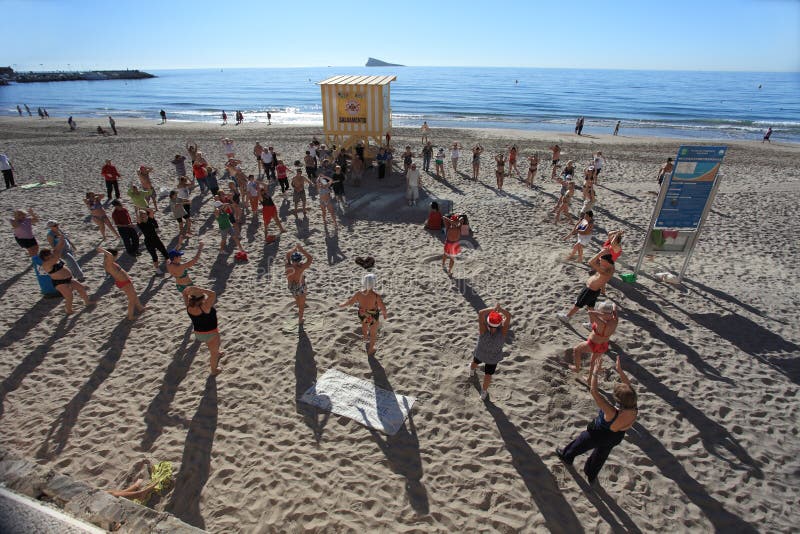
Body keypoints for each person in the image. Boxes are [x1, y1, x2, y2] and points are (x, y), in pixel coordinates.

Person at [556, 355, 638, 484]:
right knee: (601, 455)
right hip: (616, 437)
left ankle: (567, 456)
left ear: (619, 400)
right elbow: (629, 388)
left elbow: (594, 391)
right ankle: (591, 473)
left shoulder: (611, 412)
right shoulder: (633, 406)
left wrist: (594, 372)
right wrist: (620, 371)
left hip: (597, 434)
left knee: (580, 444)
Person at [557, 249, 616, 322]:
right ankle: (592, 324)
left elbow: (590, 262)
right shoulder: (610, 266)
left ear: (606, 262)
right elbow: (603, 281)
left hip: (590, 290)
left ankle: (567, 317)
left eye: (601, 260)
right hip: (595, 291)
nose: (599, 261)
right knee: (590, 307)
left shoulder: (606, 271)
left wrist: (600, 253)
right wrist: (605, 254)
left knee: (578, 304)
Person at [39, 240, 96, 314]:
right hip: (60, 283)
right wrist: (58, 250)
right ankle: (68, 310)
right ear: (45, 257)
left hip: (69, 279)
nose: (52, 254)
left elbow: (56, 249)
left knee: (81, 288)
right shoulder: (46, 264)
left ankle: (87, 302)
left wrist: (61, 241)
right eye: (50, 254)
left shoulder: (53, 257)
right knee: (69, 297)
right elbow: (57, 255)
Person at [469, 304, 512, 400]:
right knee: (488, 374)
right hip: (493, 357)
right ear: (499, 323)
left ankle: (471, 372)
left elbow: (481, 313)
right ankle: (483, 393)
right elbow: (508, 316)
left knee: (474, 362)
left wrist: (493, 309)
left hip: (481, 353)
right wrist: (500, 309)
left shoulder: (483, 330)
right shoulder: (502, 332)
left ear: (488, 322)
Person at [339, 273, 388, 356]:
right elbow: (382, 307)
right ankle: (371, 349)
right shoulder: (376, 296)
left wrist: (343, 304)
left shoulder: (358, 293)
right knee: (373, 333)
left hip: (362, 314)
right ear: (374, 284)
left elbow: (350, 301)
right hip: (373, 316)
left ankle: (365, 337)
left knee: (364, 325)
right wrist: (384, 314)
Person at [570, 301, 619, 381]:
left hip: (592, 344)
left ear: (603, 313)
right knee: (593, 363)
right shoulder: (615, 319)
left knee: (576, 349)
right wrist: (611, 311)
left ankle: (577, 368)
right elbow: (614, 305)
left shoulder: (601, 323)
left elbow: (591, 313)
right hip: (603, 345)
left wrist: (602, 314)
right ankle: (589, 379)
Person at [183, 286, 223, 375]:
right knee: (214, 354)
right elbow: (213, 294)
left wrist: (190, 291)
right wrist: (200, 289)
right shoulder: (205, 307)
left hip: (198, 333)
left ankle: (218, 352)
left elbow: (184, 294)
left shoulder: (188, 306)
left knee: (212, 346)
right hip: (211, 333)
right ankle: (214, 370)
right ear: (202, 298)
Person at [97, 246, 145, 320]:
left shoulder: (110, 262)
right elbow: (110, 255)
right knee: (131, 299)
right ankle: (130, 316)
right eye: (115, 256)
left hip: (125, 281)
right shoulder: (108, 263)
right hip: (124, 282)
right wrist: (102, 250)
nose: (116, 258)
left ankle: (140, 308)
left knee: (134, 294)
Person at [285, 243, 313, 324]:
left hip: (291, 286)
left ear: (292, 260)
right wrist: (301, 250)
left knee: (297, 298)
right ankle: (300, 319)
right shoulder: (301, 267)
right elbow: (310, 258)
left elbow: (287, 254)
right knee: (301, 306)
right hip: (300, 287)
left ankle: (298, 302)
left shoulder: (287, 265)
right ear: (299, 260)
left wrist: (293, 249)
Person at [137, 208, 169, 274]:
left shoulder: (150, 219)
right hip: (148, 241)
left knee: (165, 252)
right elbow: (138, 218)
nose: (145, 217)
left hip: (156, 239)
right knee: (154, 256)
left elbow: (151, 210)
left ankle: (170, 265)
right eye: (143, 216)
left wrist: (141, 207)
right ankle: (157, 269)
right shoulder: (140, 223)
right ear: (140, 217)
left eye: (145, 215)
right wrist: (139, 211)